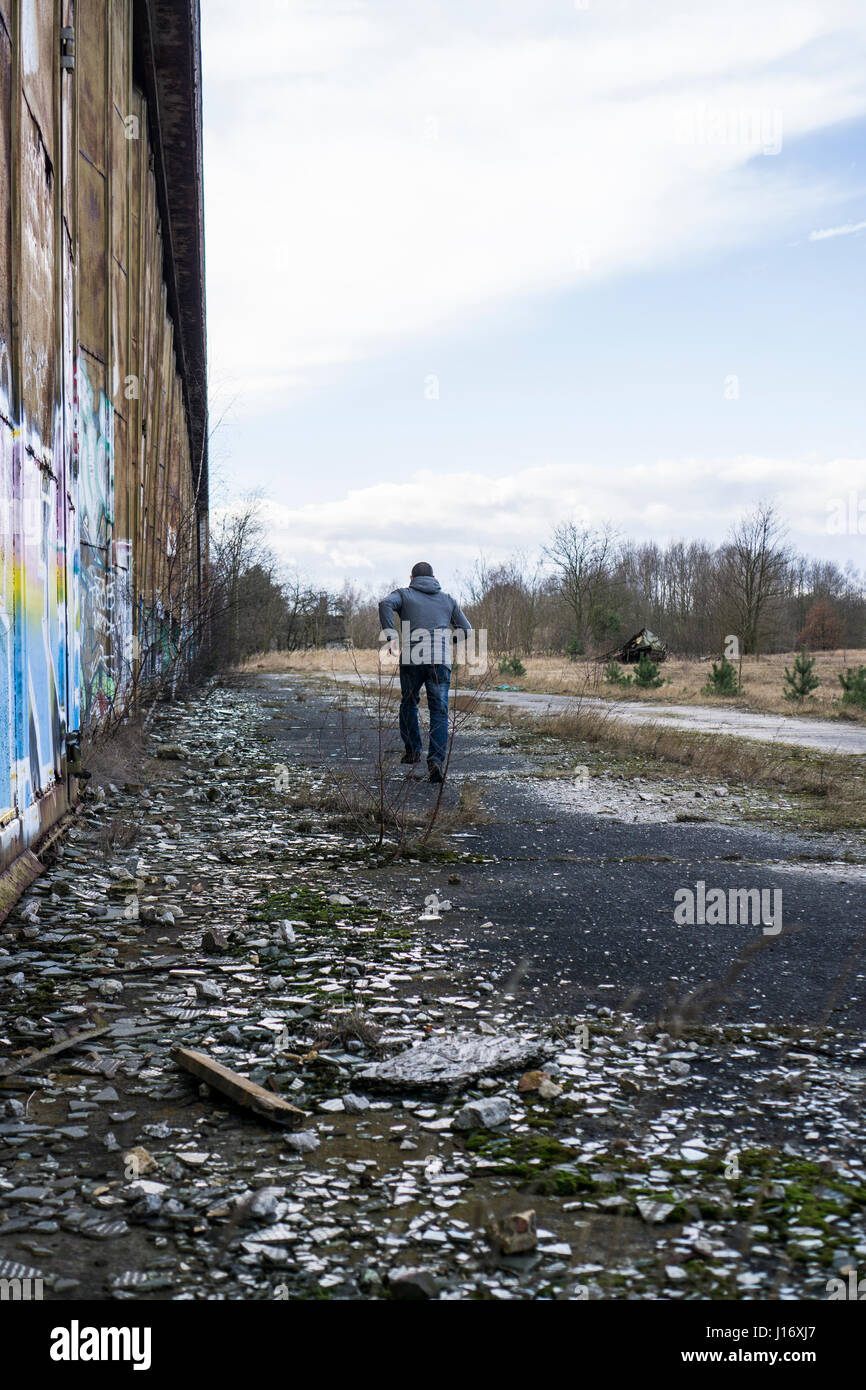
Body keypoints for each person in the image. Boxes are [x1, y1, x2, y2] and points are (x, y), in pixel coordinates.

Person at [378, 562, 472, 783]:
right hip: (439, 661)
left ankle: (412, 751)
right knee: (439, 711)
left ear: (411, 578)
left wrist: (391, 635)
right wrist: (449, 641)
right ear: (434, 577)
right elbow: (466, 629)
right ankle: (436, 761)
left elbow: (384, 604)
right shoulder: (448, 600)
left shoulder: (404, 594)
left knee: (409, 703)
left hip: (412, 659)